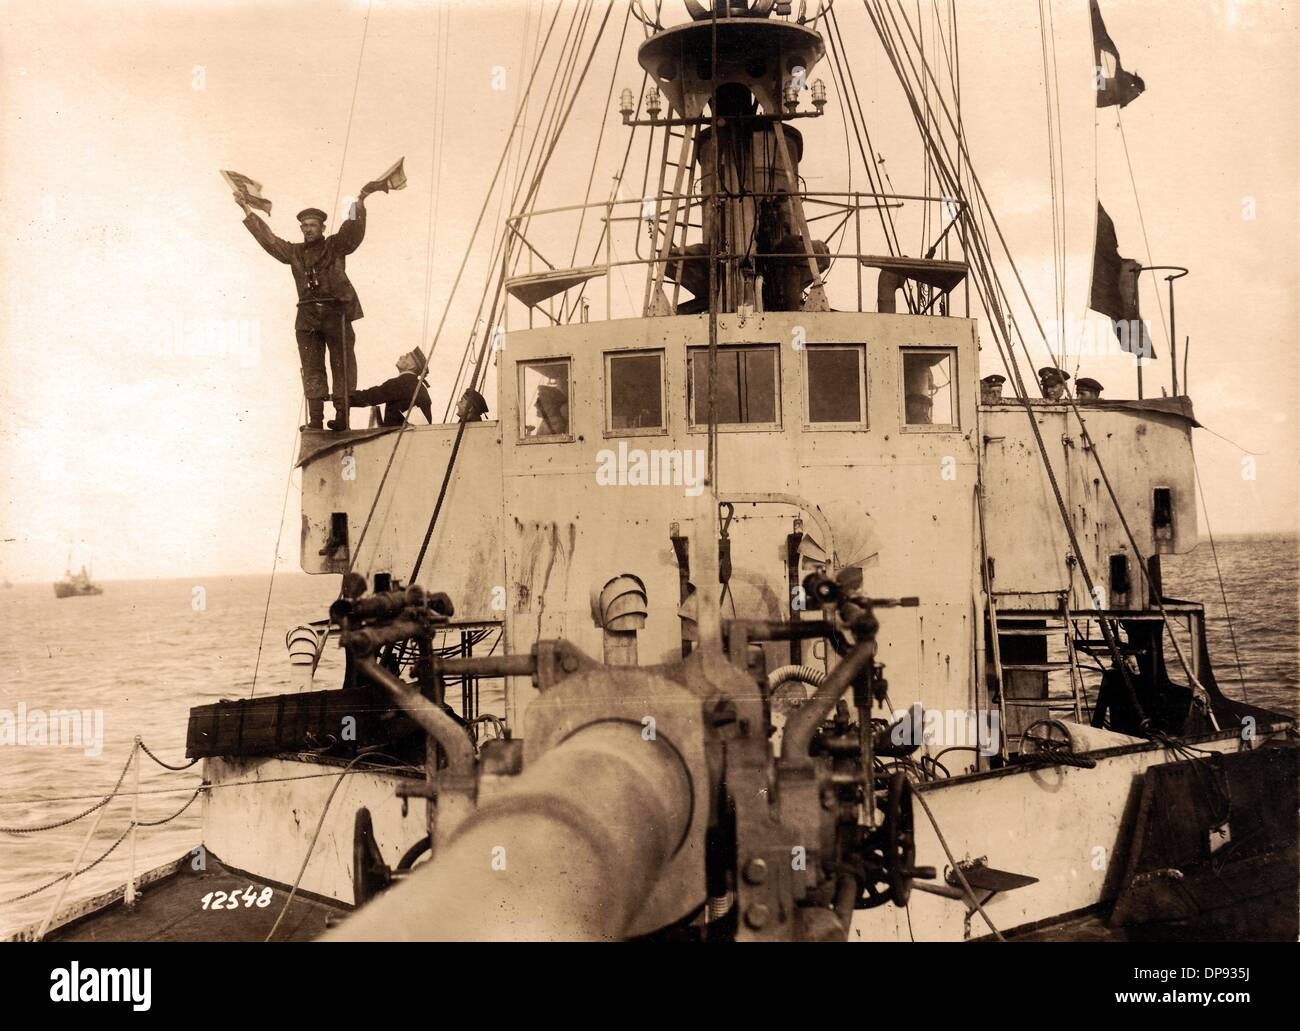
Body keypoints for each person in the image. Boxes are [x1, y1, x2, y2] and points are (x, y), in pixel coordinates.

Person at [236, 179, 390, 430]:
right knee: (312, 366)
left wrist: (359, 201)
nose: (308, 230)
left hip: (335, 312)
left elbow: (351, 229)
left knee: (342, 364)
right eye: (304, 226)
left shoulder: (334, 245)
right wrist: (246, 209)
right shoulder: (294, 252)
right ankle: (316, 419)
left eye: (312, 225)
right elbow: (270, 241)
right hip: (306, 315)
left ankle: (342, 417)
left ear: (321, 227)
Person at [338, 347, 434, 428]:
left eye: (406, 356)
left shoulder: (400, 383)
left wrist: (342, 397)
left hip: (399, 438)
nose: (401, 356)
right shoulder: (419, 386)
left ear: (412, 366)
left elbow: (371, 396)